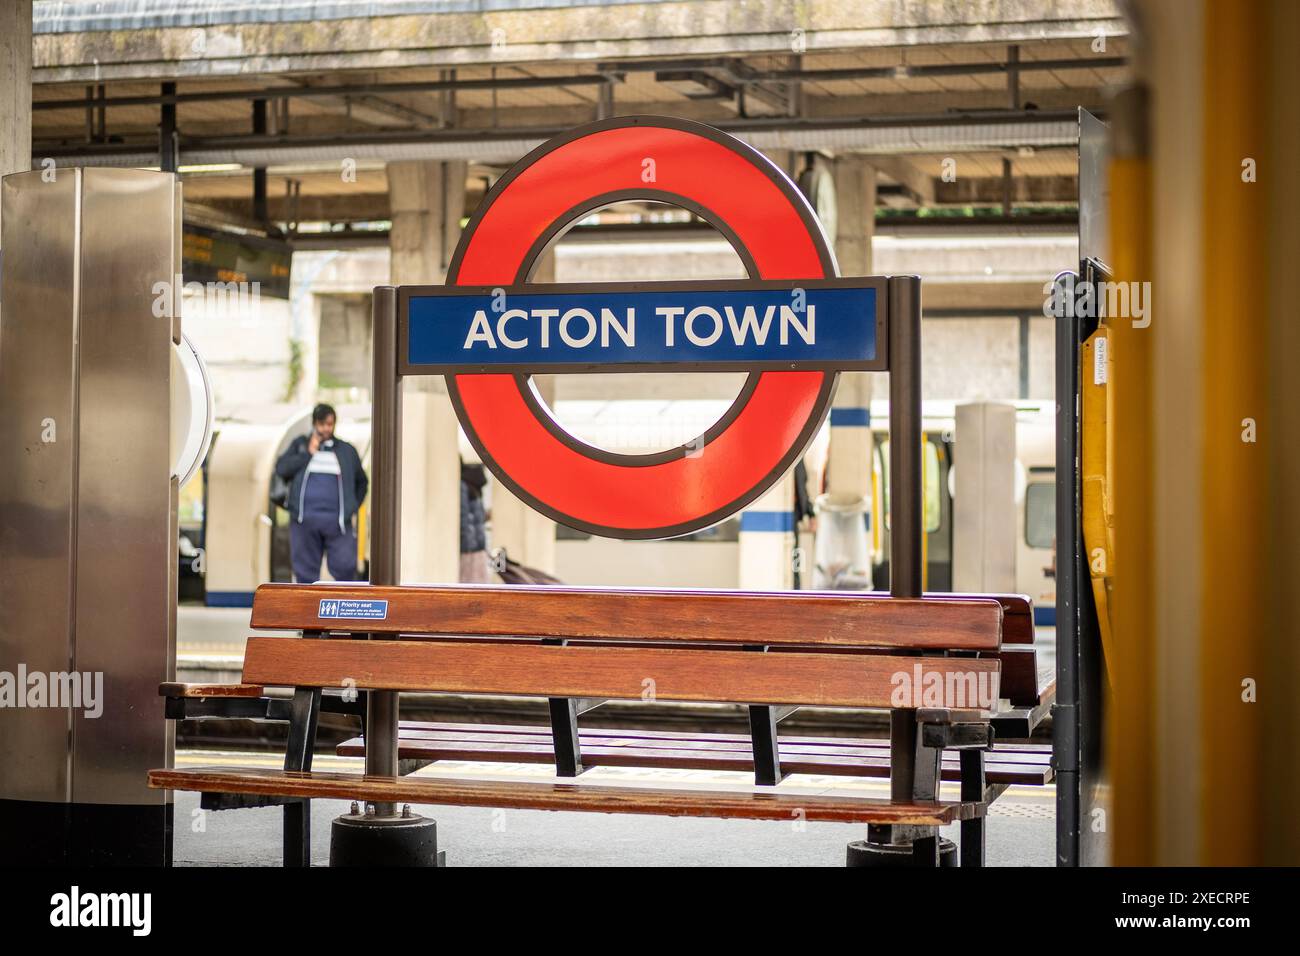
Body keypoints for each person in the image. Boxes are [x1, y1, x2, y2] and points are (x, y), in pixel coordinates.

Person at [275, 403, 368, 583]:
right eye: (322, 424)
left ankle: (345, 608)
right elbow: (282, 468)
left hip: (339, 523)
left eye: (329, 424)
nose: (326, 429)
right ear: (314, 424)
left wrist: (351, 508)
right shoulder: (300, 445)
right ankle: (307, 609)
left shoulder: (346, 450)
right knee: (305, 572)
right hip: (304, 521)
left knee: (345, 568)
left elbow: (362, 482)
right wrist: (308, 453)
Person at [459, 459, 491, 583]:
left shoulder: (463, 484)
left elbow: (463, 517)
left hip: (468, 548)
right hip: (478, 547)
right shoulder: (475, 487)